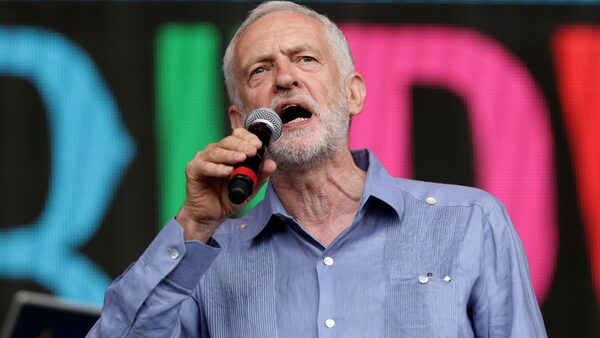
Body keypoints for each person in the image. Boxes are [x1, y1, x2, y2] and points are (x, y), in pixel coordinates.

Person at [88, 1, 547, 337]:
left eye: (305, 59)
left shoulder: (469, 221)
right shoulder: (206, 257)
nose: (285, 78)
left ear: (353, 94)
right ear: (239, 122)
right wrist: (193, 225)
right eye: (259, 71)